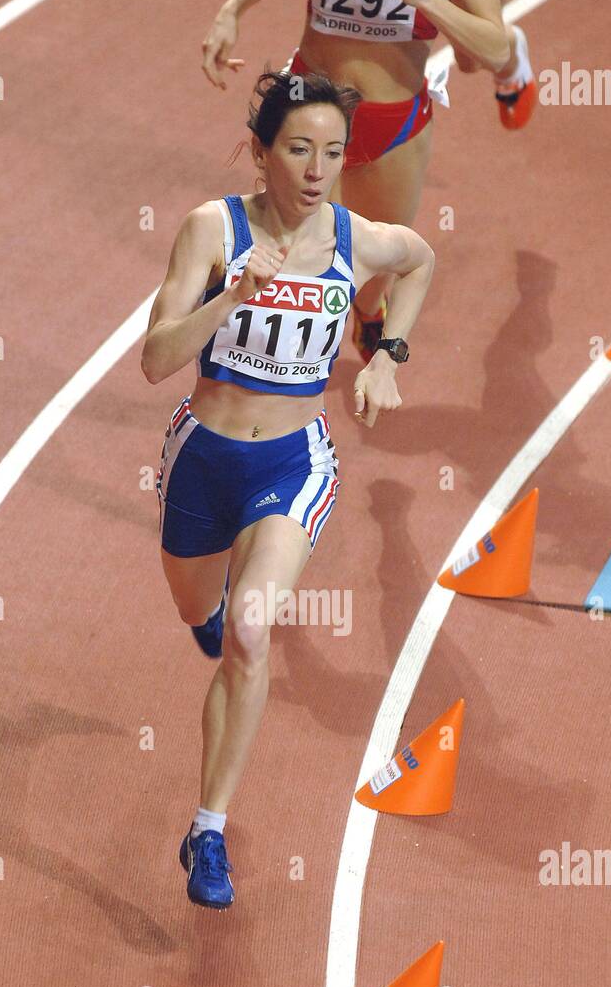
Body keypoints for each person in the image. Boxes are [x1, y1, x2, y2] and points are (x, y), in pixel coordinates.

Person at [140, 70, 434, 909]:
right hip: (202, 457)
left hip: (293, 464)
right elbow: (157, 360)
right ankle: (204, 617)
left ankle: (207, 831)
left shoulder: (357, 238)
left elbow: (421, 261)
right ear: (261, 150)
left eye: (333, 154)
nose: (316, 170)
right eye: (299, 149)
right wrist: (233, 292)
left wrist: (388, 354)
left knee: (250, 627)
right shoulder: (212, 229)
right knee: (198, 608)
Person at [202, 0, 536, 362]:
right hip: (313, 109)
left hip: (392, 121)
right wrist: (234, 8)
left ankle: (367, 307)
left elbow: (491, 48)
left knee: (471, 58)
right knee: (297, 253)